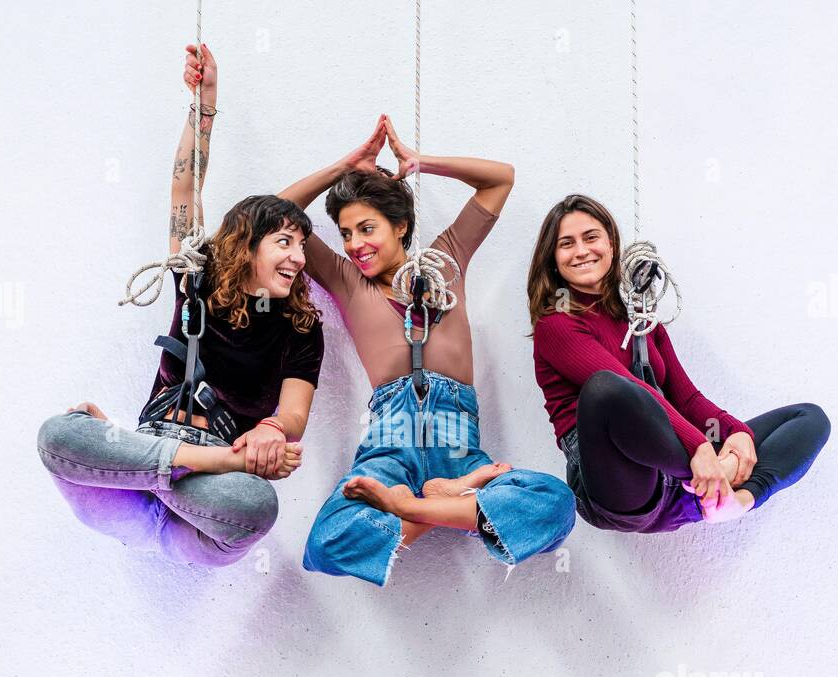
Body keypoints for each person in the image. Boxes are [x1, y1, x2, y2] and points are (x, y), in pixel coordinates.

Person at [36, 44, 324, 567]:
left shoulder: (301, 328)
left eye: (302, 246)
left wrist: (272, 431)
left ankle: (155, 468)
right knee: (60, 434)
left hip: (204, 508)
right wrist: (205, 101)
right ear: (247, 243)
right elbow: (183, 188)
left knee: (255, 503)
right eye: (285, 241)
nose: (299, 258)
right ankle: (174, 464)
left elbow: (295, 414)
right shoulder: (199, 281)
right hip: (163, 479)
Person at [271, 108, 576, 587]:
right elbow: (271, 215)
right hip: (388, 448)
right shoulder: (350, 283)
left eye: (366, 229)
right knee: (326, 542)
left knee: (556, 504)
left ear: (399, 226)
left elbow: (500, 180)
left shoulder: (445, 260)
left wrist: (419, 162)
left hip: (460, 452)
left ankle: (412, 507)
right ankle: (444, 505)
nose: (354, 245)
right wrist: (343, 167)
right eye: (346, 234)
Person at [528, 194, 830, 533]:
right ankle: (716, 476)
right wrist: (701, 448)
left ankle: (737, 502)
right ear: (553, 260)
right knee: (606, 388)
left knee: (808, 417)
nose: (581, 251)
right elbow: (633, 390)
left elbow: (686, 399)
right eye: (566, 244)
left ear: (612, 245)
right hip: (621, 487)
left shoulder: (642, 320)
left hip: (680, 481)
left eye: (591, 237)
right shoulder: (556, 324)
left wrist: (738, 433)